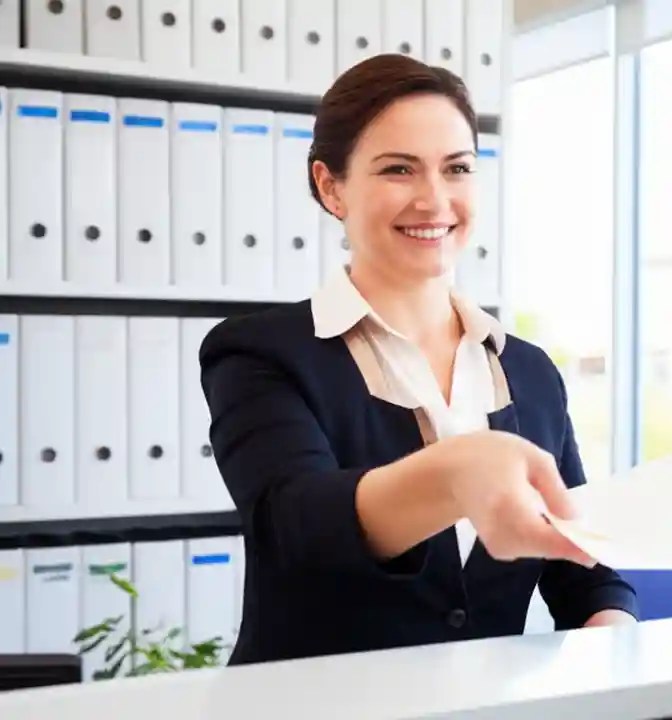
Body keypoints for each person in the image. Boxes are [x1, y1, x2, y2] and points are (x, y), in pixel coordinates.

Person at [199, 54, 637, 666]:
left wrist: (607, 625)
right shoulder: (260, 352)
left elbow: (581, 563)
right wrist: (458, 470)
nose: (434, 200)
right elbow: (297, 528)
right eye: (398, 169)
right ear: (331, 187)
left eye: (457, 168)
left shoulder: (529, 372)